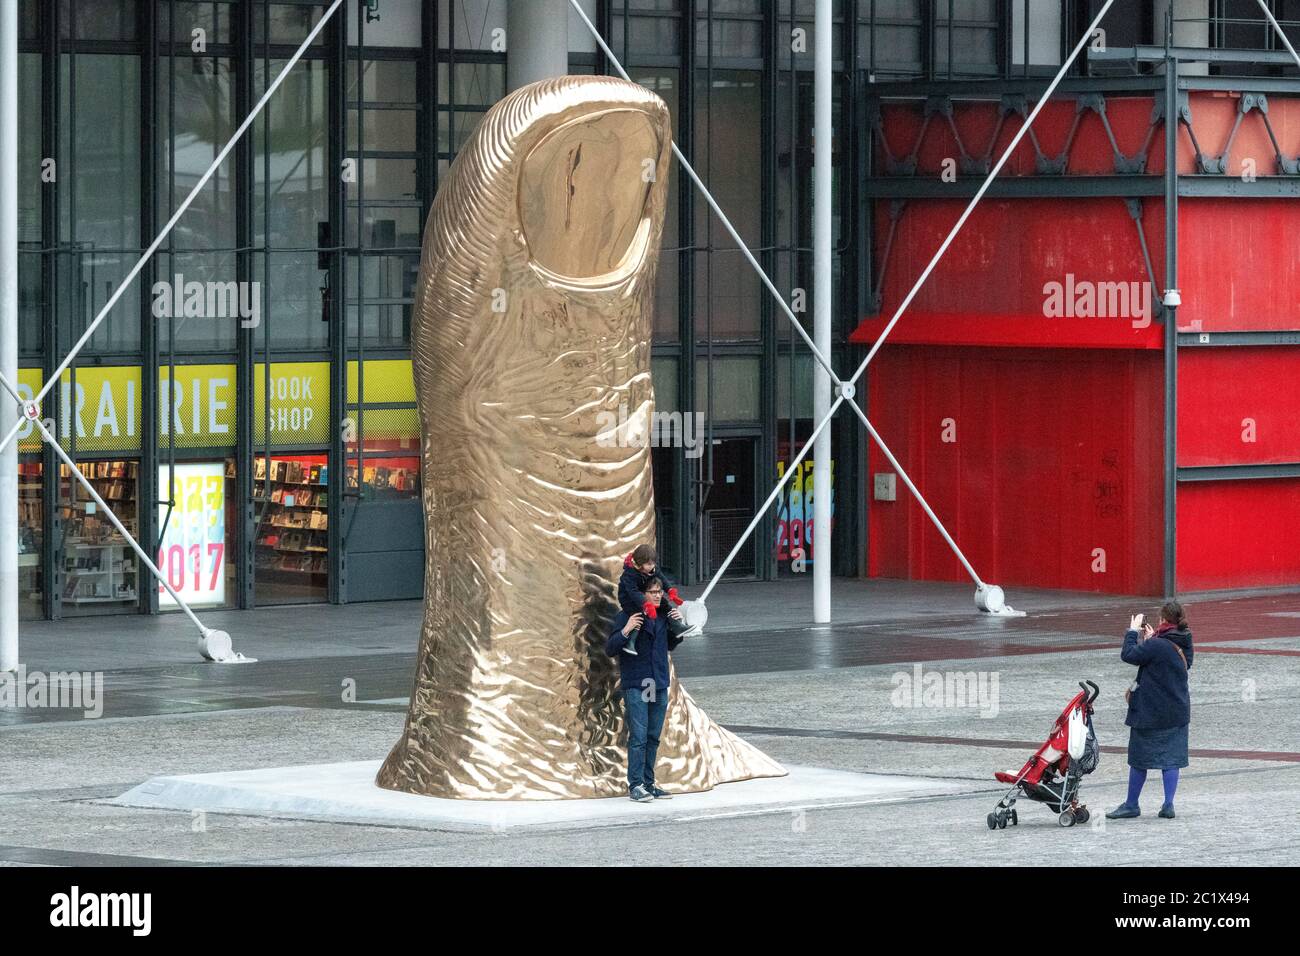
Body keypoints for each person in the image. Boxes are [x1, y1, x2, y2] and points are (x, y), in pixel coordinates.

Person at [1106, 601, 1194, 820]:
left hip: (1149, 712)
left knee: (1139, 759)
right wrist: (1153, 638)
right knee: (1171, 759)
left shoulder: (1156, 645)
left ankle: (1132, 804)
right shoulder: (1184, 640)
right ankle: (1168, 804)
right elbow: (1166, 660)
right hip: (1176, 711)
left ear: (1163, 619)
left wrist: (1133, 630)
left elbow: (1129, 655)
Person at [605, 577, 687, 802]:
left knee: (653, 736)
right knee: (639, 736)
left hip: (659, 682)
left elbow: (670, 645)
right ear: (643, 595)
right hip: (637, 683)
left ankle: (649, 783)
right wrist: (626, 630)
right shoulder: (627, 616)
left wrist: (678, 629)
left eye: (660, 591)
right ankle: (636, 785)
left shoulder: (663, 615)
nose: (658, 595)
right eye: (652, 592)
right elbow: (610, 648)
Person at [618, 544, 692, 656]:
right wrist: (645, 604)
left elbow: (662, 578)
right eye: (649, 564)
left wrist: (670, 590)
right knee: (639, 614)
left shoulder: (652, 568)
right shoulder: (630, 573)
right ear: (640, 563)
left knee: (665, 605)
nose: (652, 566)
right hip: (628, 598)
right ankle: (631, 641)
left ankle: (677, 626)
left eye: (653, 563)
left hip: (645, 593)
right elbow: (632, 592)